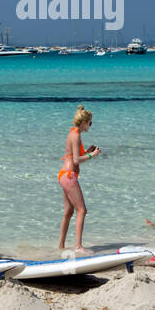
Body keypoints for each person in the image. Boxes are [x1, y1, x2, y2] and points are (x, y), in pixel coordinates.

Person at [58, 105, 101, 254]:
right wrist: (92, 155)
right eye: (90, 123)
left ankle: (61, 246)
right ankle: (78, 246)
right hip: (70, 175)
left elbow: (73, 154)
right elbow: (76, 160)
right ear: (83, 123)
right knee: (82, 210)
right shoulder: (76, 135)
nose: (90, 125)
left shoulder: (73, 132)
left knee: (68, 212)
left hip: (64, 174)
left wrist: (87, 151)